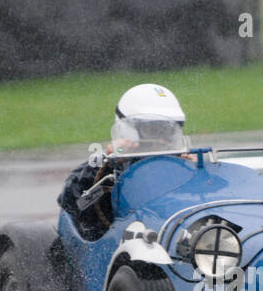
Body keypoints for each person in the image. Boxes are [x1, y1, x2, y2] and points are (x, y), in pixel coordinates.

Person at [58, 84, 189, 240]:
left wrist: (197, 171)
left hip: (166, 235)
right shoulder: (108, 164)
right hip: (116, 239)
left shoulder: (182, 165)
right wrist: (106, 165)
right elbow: (74, 204)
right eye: (152, 130)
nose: (160, 138)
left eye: (166, 131)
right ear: (130, 129)